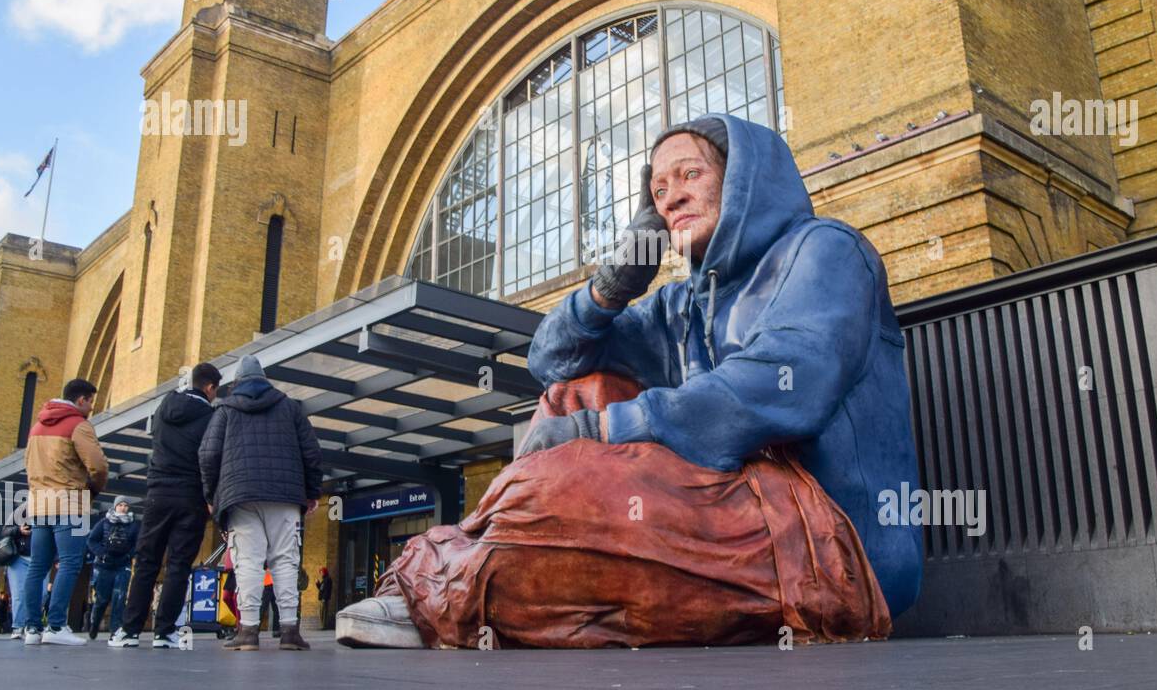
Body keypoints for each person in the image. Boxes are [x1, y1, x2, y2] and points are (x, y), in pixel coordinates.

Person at [335, 114, 921, 649]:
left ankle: (440, 589)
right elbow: (553, 360)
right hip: (729, 494)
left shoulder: (827, 250)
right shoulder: (683, 303)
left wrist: (607, 428)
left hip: (826, 540)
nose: (674, 198)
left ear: (743, 179)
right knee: (575, 390)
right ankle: (456, 574)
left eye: (691, 173)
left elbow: (782, 384)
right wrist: (612, 285)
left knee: (564, 489)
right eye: (659, 191)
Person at [199, 355, 322, 652]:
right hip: (285, 496)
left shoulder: (225, 410)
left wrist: (211, 496)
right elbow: (311, 451)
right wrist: (312, 491)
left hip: (240, 496)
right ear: (265, 379)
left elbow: (207, 454)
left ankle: (249, 631)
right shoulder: (291, 408)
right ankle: (290, 631)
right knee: (285, 560)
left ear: (237, 382)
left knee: (248, 562)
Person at [110, 363, 222, 650]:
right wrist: (211, 496)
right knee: (178, 565)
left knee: (146, 562)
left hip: (158, 492)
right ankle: (164, 632)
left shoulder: (164, 408)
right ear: (210, 387)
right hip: (190, 495)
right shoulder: (211, 417)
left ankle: (129, 630)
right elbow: (210, 458)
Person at [22, 377, 109, 647]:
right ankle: (57, 626)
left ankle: (32, 629)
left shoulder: (36, 426)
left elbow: (28, 464)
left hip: (40, 503)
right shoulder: (78, 425)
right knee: (71, 563)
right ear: (80, 399)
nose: (91, 407)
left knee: (38, 566)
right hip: (71, 502)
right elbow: (98, 465)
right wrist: (92, 490)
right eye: (90, 401)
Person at [85, 497, 139, 639]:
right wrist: (101, 554)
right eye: (120, 505)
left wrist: (129, 556)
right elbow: (91, 540)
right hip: (103, 566)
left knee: (119, 598)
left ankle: (115, 630)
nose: (123, 507)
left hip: (123, 565)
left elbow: (138, 544)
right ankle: (94, 624)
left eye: (126, 505)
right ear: (115, 506)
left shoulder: (133, 525)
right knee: (101, 599)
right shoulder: (104, 523)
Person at [1, 519, 32, 638]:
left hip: (40, 559)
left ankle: (31, 624)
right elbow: (4, 531)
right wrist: (18, 530)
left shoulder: (50, 513)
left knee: (43, 593)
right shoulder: (19, 512)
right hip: (18, 558)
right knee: (19, 593)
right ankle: (18, 626)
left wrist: (56, 558)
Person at [258, 568, 280, 638]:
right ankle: (255, 629)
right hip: (268, 583)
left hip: (274, 583)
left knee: (276, 608)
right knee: (263, 607)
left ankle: (276, 630)